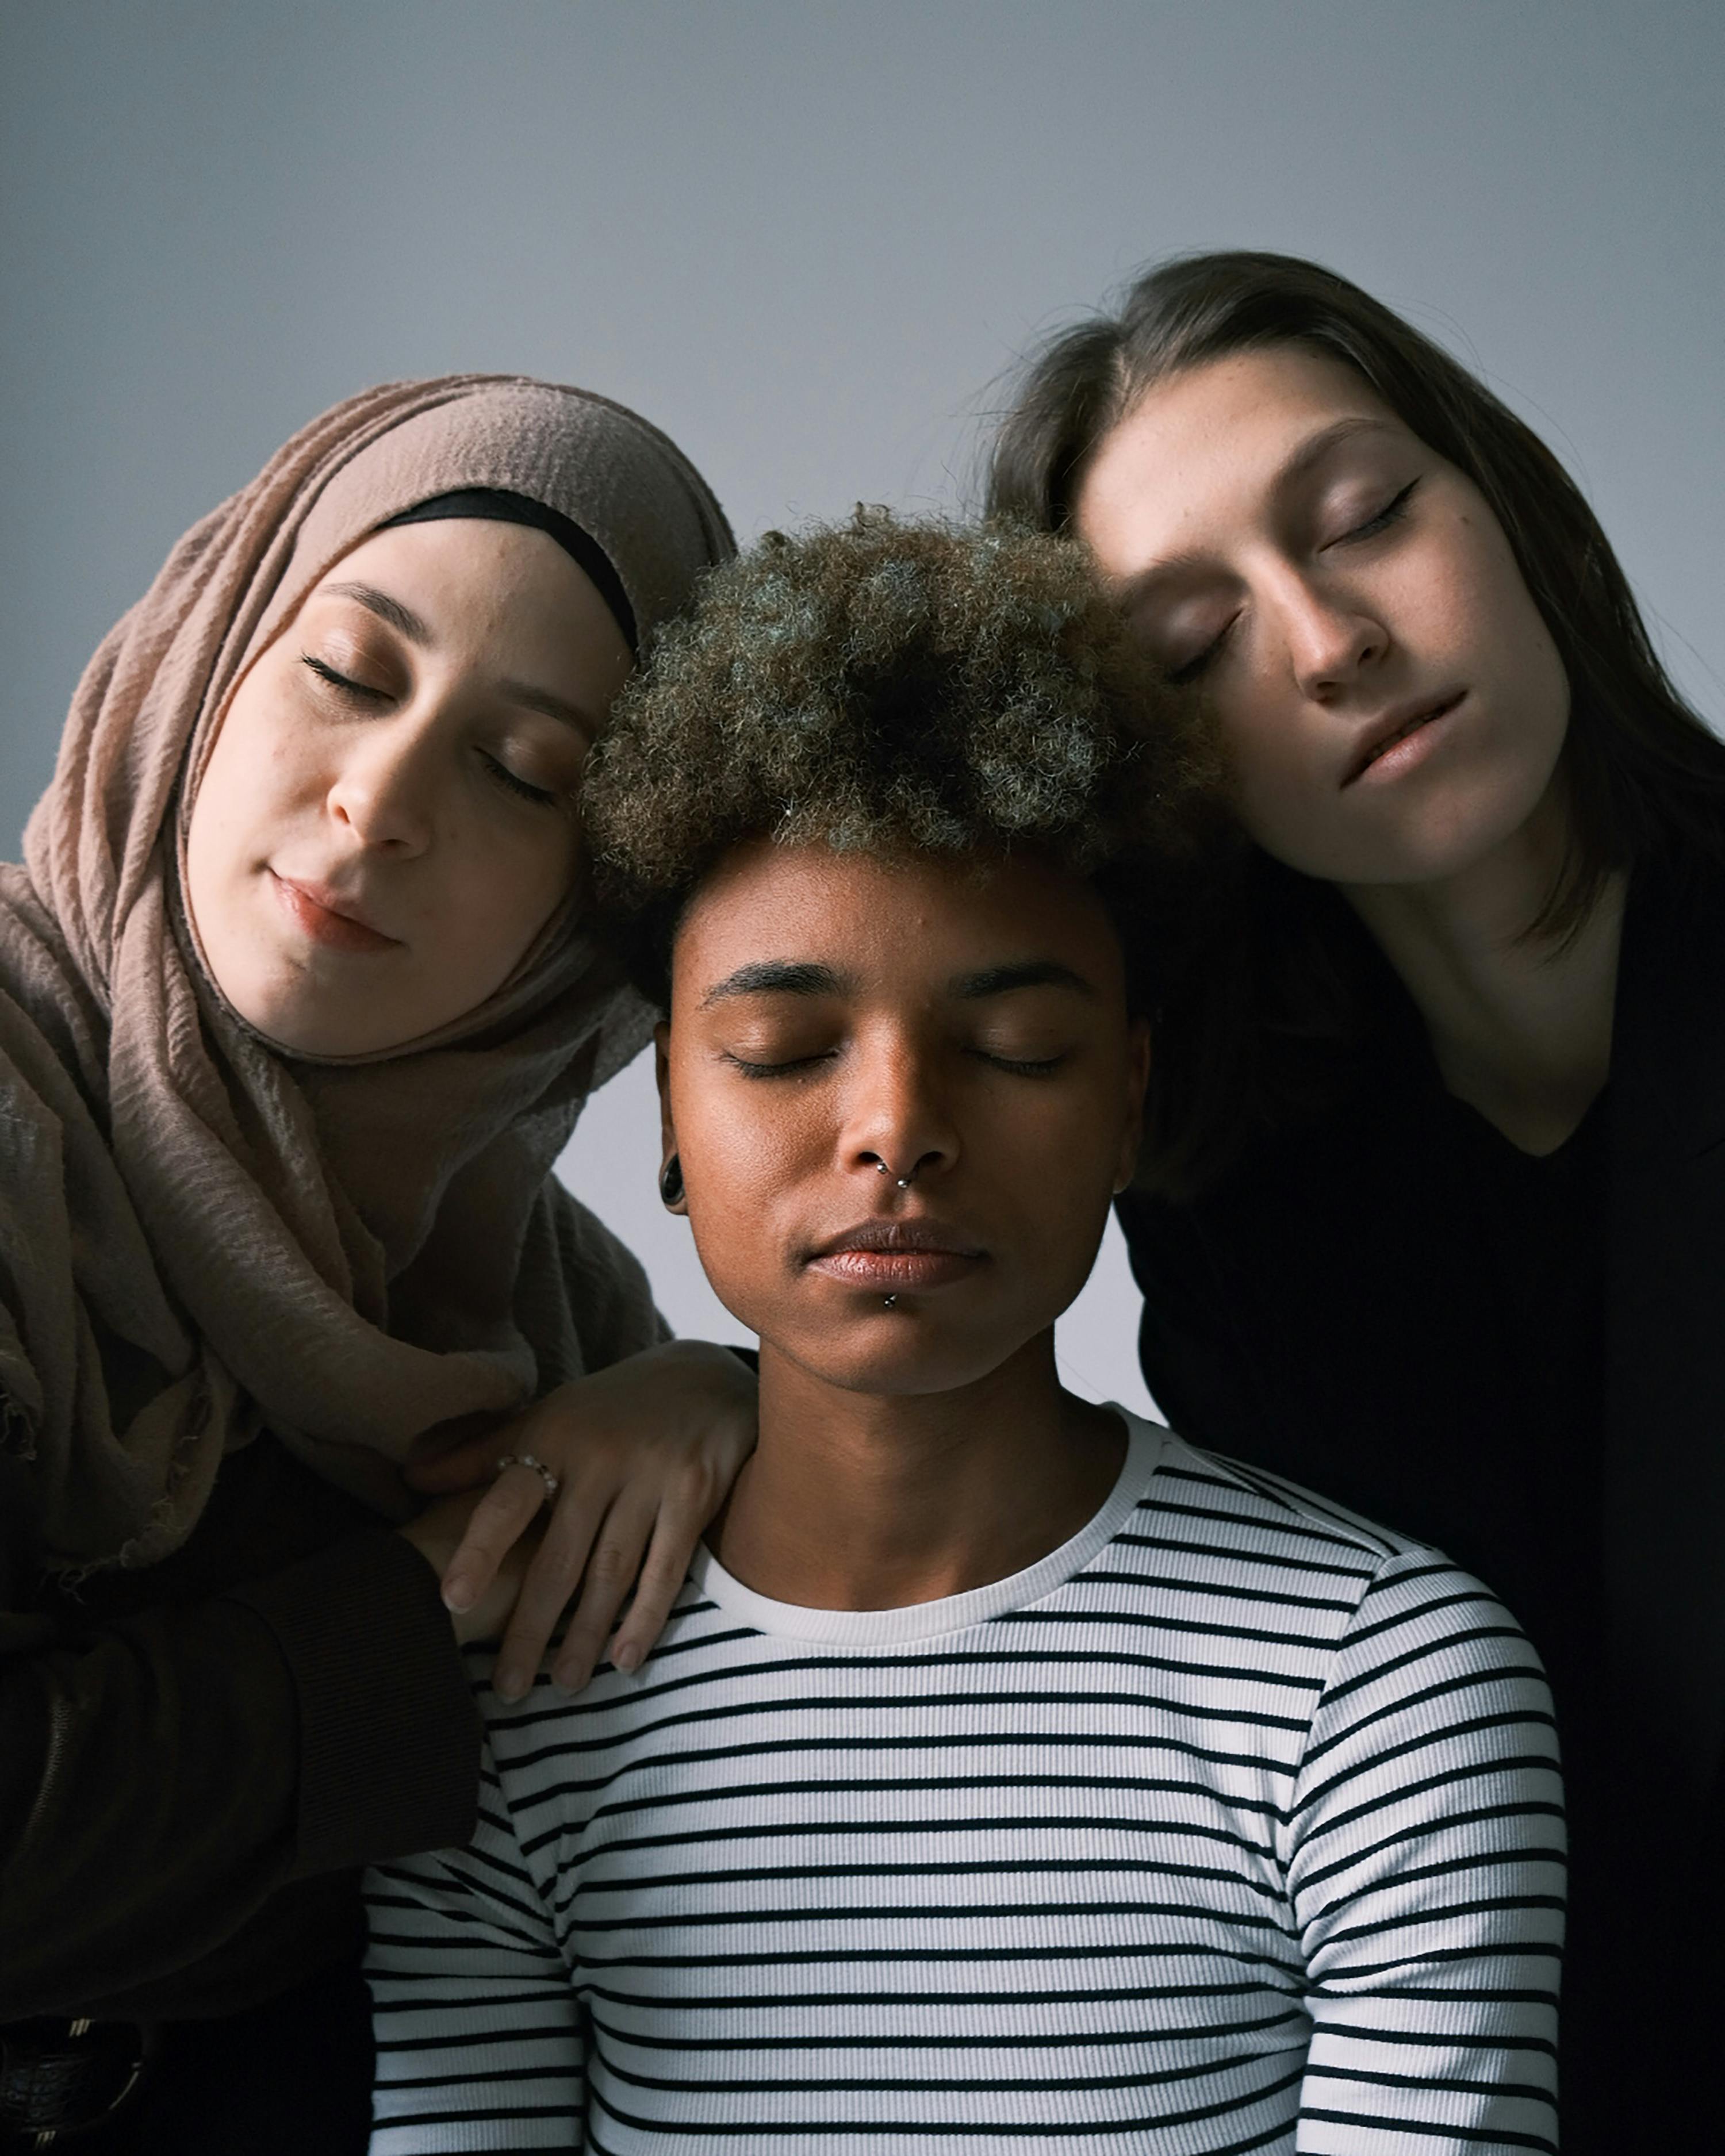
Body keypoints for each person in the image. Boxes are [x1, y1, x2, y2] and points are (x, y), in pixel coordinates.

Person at [365, 513, 1563, 2156]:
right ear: (667, 1112)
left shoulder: (1381, 1690)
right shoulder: (516, 1703)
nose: (897, 1131)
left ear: (1128, 1099)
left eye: (1014, 1049)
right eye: (783, 1049)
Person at [987, 248, 1725, 2145]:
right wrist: (694, 1402)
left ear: (1506, 498)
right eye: (1192, 648)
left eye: (1367, 516)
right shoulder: (1231, 1201)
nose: (1330, 644)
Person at [0, 377, 760, 2152]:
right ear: (209, 657)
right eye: (348, 669)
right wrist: (421, 1603)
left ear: (599, 906)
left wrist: (739, 1398)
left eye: (525, 773)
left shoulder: (554, 1314)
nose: (380, 797)